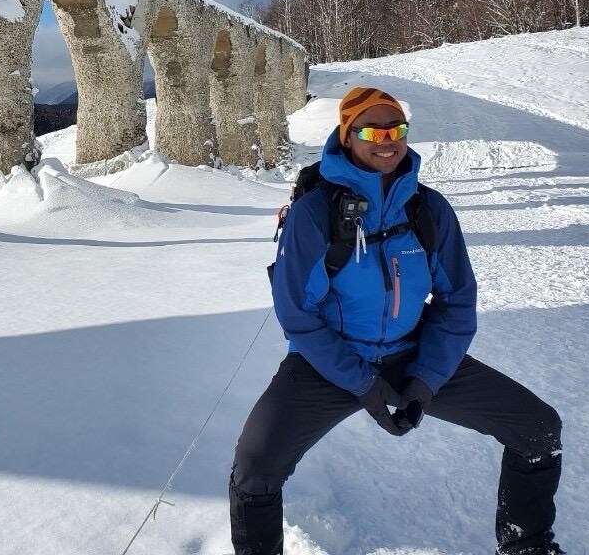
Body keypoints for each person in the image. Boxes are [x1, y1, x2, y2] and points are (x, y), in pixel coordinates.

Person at [230, 86, 564, 555]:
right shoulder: (314, 213)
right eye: (371, 129)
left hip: (414, 352)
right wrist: (363, 384)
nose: (386, 140)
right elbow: (296, 314)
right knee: (255, 463)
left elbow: (457, 301)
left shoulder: (428, 209)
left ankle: (527, 545)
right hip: (331, 359)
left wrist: (427, 379)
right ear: (347, 137)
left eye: (396, 129)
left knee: (538, 427)